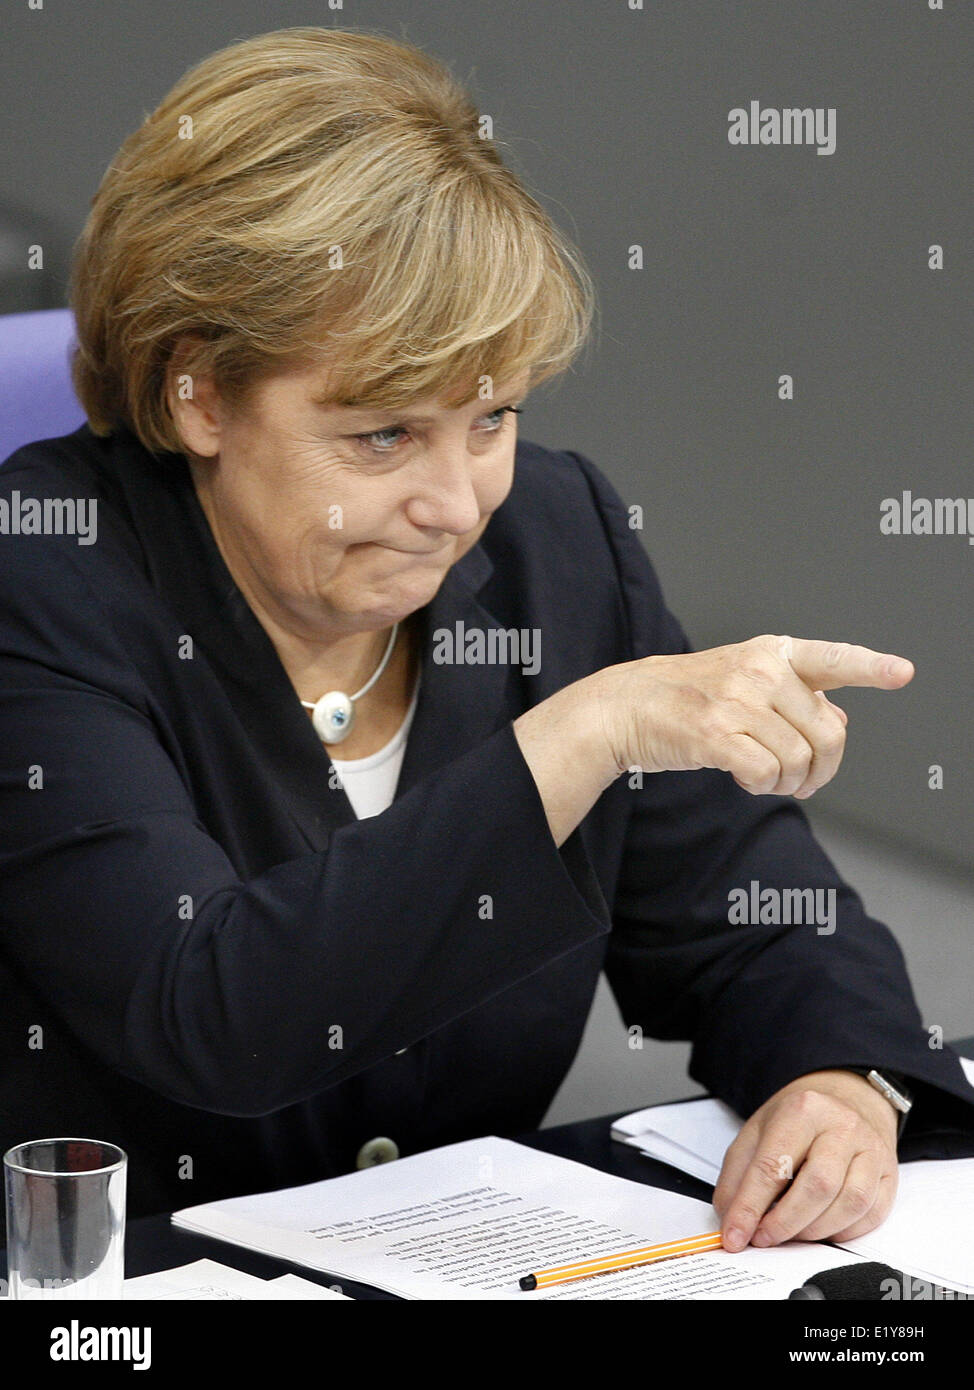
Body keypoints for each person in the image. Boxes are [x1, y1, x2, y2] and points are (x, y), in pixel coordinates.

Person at [1, 27, 972, 1245]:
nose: (457, 506)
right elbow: (208, 1007)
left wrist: (838, 1081)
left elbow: (756, 920)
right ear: (199, 392)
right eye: (382, 436)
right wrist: (578, 737)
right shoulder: (38, 576)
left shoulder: (553, 537)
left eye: (491, 417)